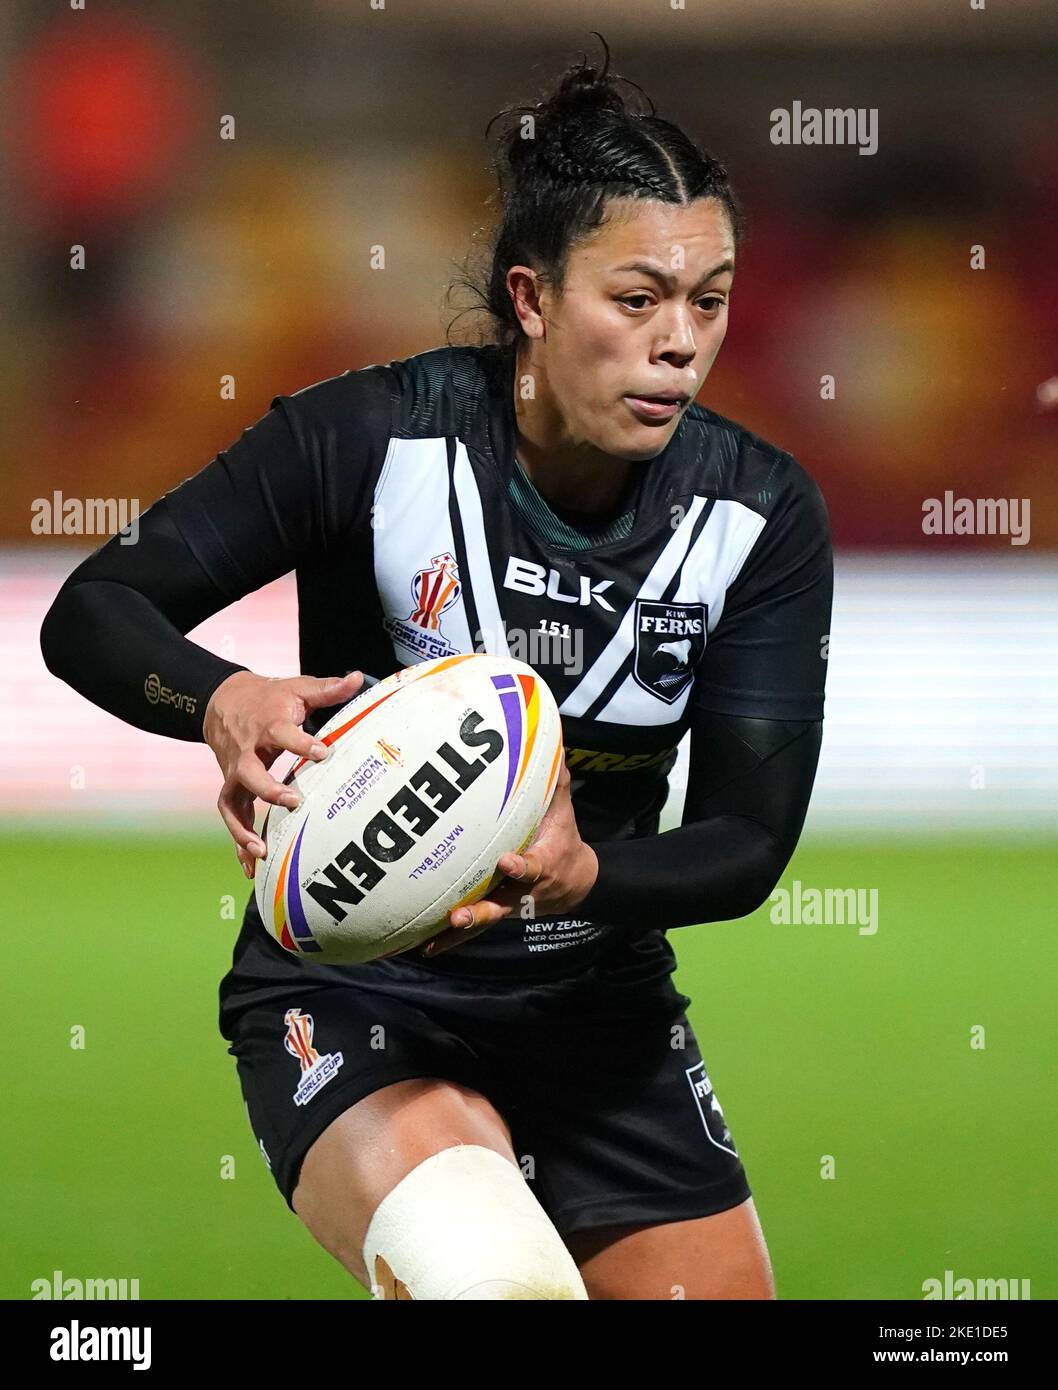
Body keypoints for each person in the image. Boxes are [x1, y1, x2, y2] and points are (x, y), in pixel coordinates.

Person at [40, 35, 832, 1300]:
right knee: (490, 1280)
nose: (680, 340)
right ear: (528, 298)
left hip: (602, 1023)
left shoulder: (757, 513)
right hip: (362, 1000)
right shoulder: (363, 436)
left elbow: (747, 840)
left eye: (709, 298)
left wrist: (588, 877)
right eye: (635, 300)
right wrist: (220, 697)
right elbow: (93, 611)